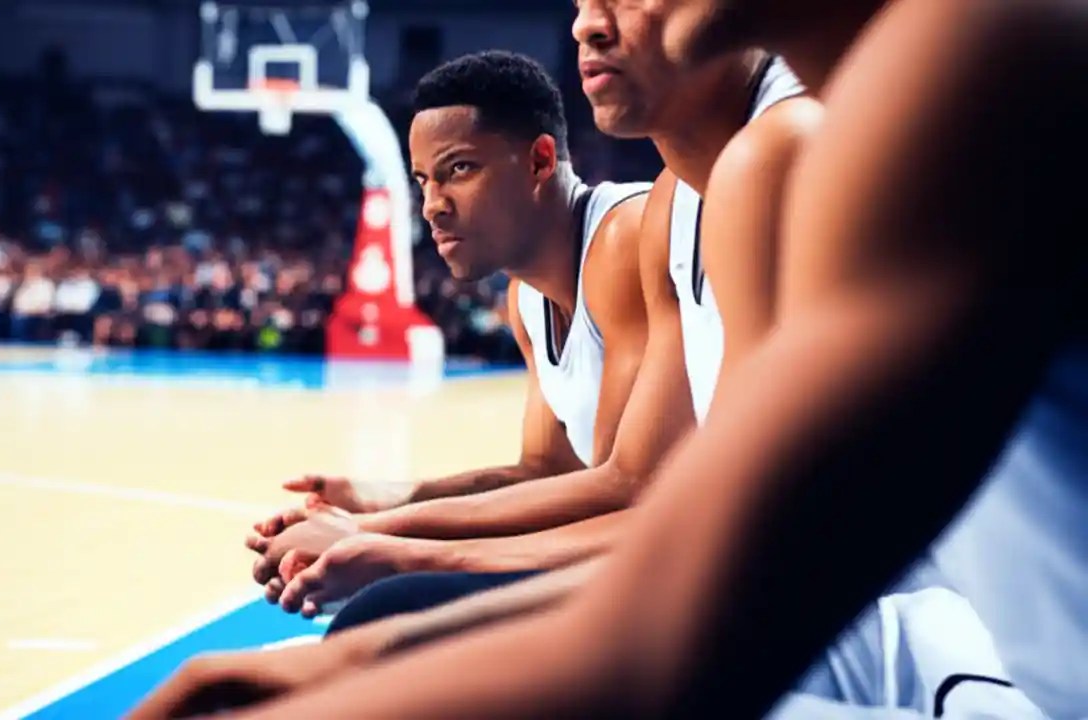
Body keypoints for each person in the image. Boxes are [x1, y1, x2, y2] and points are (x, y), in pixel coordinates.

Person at [182, 0, 1084, 717]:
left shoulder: (933, 77)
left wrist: (384, 570)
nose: (584, 22)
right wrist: (374, 602)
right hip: (927, 637)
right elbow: (687, 559)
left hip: (957, 653)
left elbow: (672, 580)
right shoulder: (717, 183)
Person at [246, 50, 655, 609]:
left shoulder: (622, 240)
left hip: (710, 588)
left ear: (539, 161)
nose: (432, 207)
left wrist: (375, 533)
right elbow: (546, 474)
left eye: (459, 169)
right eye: (422, 180)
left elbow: (616, 493)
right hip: (637, 569)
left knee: (383, 613)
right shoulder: (526, 296)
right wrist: (378, 499)